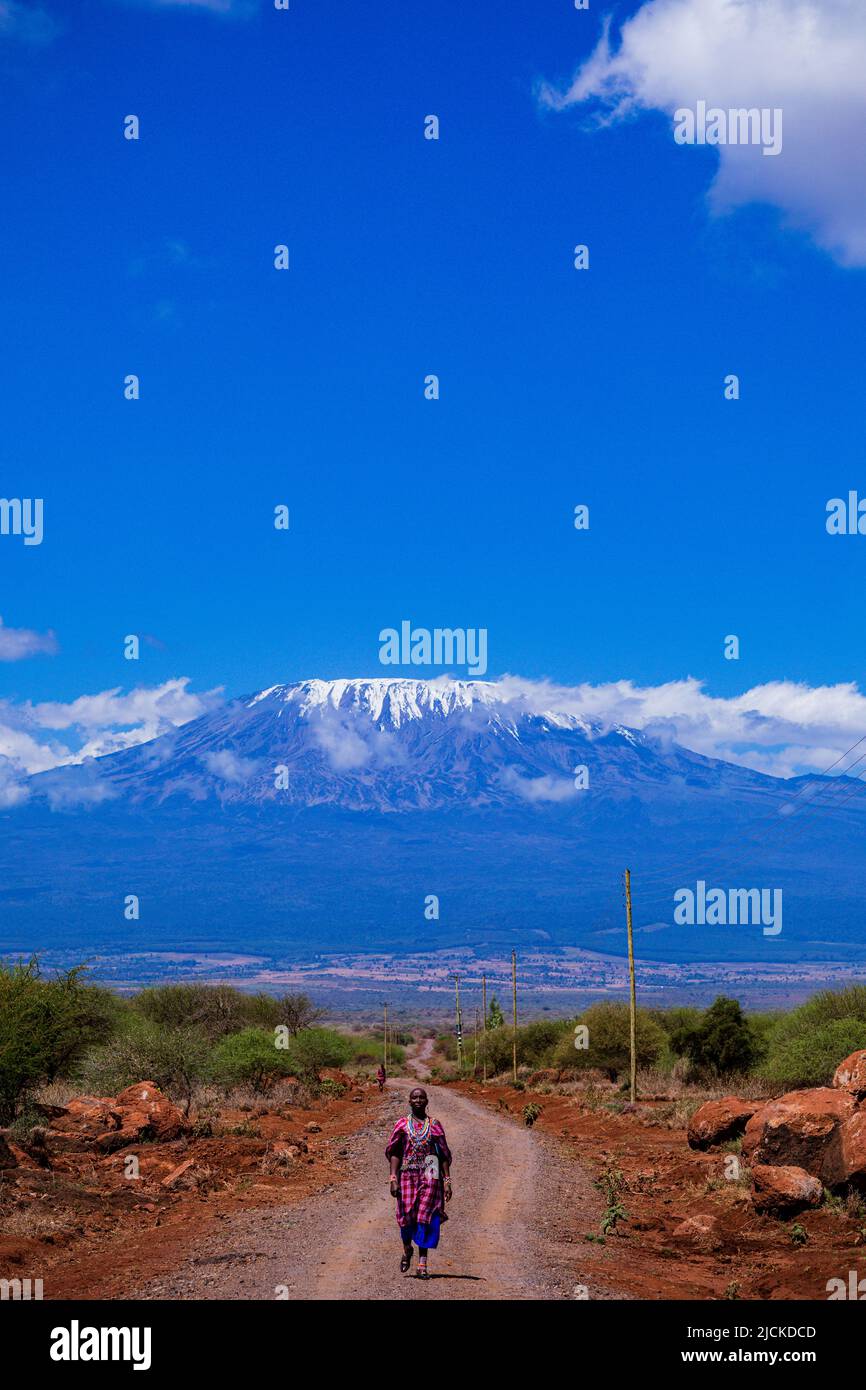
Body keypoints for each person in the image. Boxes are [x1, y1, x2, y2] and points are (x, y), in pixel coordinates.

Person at [385, 1087, 452, 1279]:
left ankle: (422, 1265)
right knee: (405, 1218)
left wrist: (447, 1180)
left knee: (426, 1218)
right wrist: (393, 1179)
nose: (418, 1100)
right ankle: (407, 1248)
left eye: (422, 1097)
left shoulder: (435, 1125)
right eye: (414, 1097)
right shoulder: (402, 1125)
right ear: (409, 1100)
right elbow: (395, 1153)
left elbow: (444, 1155)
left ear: (427, 1101)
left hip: (431, 1171)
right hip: (407, 1173)